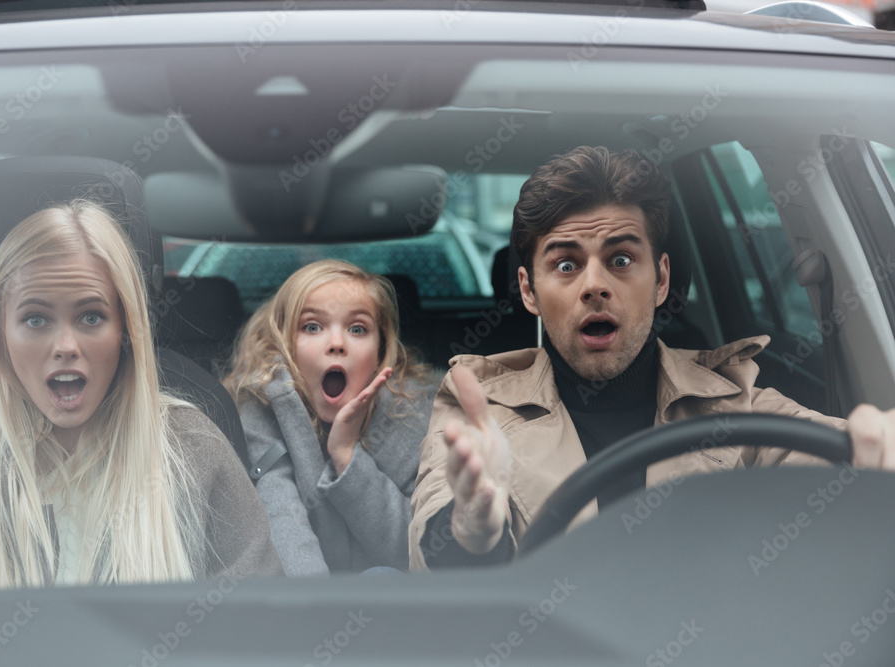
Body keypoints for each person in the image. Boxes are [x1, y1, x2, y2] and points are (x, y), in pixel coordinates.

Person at [408, 146, 895, 570]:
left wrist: (871, 454)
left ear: (661, 280)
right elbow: (436, 534)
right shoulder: (478, 407)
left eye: (620, 259)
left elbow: (831, 454)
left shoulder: (738, 401)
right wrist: (471, 531)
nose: (595, 284)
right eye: (565, 264)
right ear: (528, 291)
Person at [0, 200, 283, 591]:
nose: (66, 345)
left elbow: (255, 629)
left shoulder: (194, 450)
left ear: (125, 329)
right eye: (35, 319)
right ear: (0, 332)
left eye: (91, 316)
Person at [224, 259, 438, 576]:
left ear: (380, 352)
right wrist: (319, 613)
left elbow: (413, 555)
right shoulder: (261, 409)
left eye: (357, 329)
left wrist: (346, 455)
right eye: (313, 327)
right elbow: (283, 521)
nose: (336, 344)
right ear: (283, 346)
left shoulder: (417, 416)